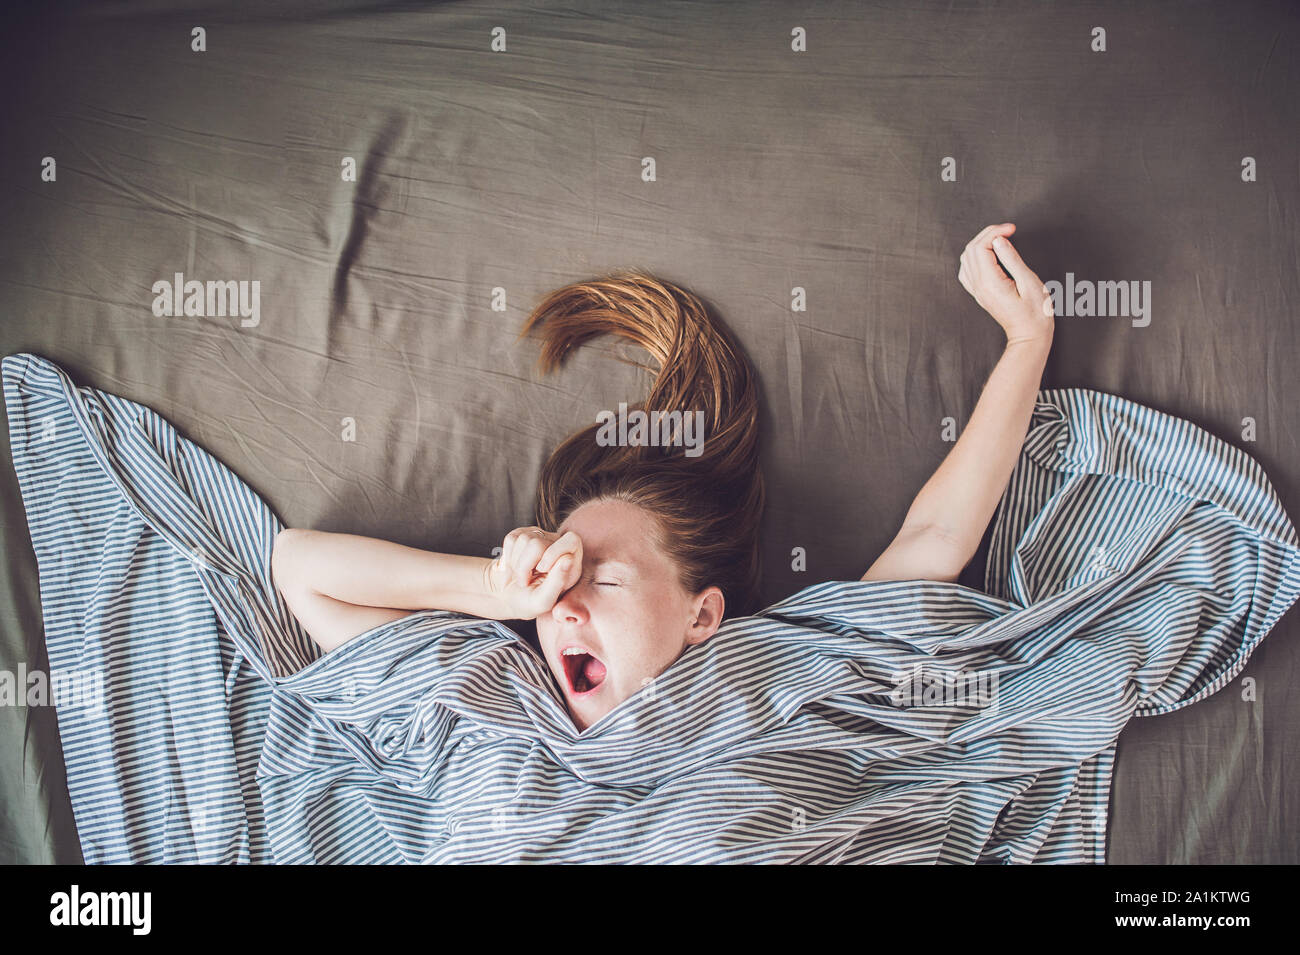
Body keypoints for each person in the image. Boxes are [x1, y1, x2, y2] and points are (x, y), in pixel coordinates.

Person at [271, 222, 1056, 733]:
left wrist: (1027, 339)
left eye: (601, 582)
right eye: (558, 581)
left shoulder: (777, 683)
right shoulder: (492, 699)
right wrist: (498, 592)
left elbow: (936, 537)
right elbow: (300, 570)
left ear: (702, 615)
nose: (565, 609)